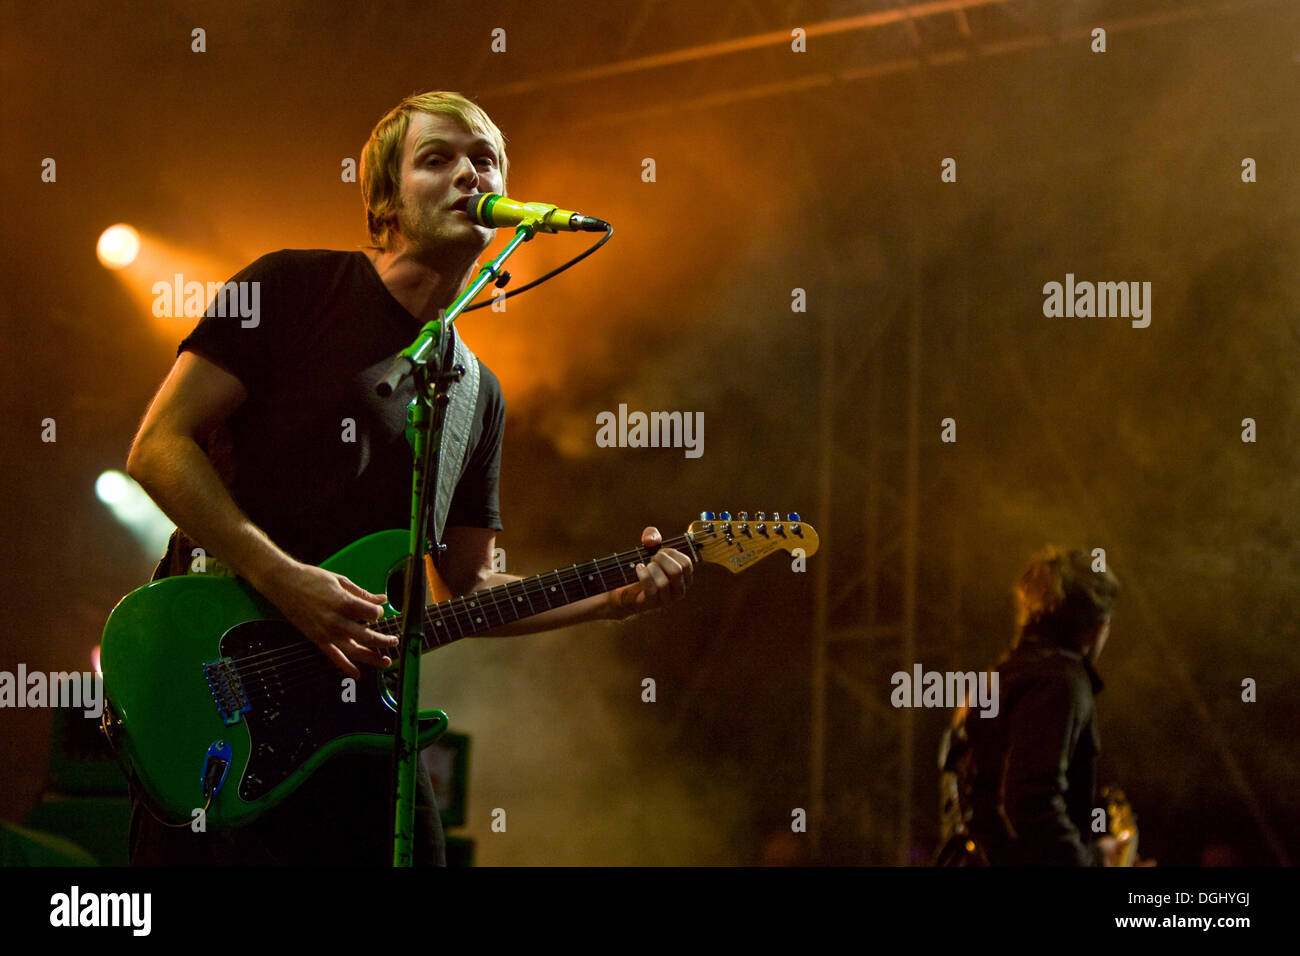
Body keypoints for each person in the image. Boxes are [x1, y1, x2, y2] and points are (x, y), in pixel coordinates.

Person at [123, 91, 692, 865]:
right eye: (438, 159)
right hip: (217, 677)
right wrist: (287, 581)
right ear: (386, 202)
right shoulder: (293, 290)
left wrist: (611, 599)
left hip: (355, 719)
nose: (469, 173)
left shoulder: (477, 392)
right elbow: (159, 446)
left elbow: (466, 585)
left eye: (484, 159)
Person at [938, 546, 1126, 866]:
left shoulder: (998, 679)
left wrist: (1091, 855)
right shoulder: (1060, 681)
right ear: (1098, 626)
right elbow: (1031, 802)